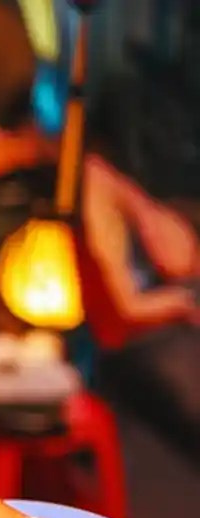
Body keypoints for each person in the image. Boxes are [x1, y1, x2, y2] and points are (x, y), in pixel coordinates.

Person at [81, 153, 200, 455]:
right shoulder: (96, 186)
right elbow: (131, 306)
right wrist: (184, 304)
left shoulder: (119, 184)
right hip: (141, 343)